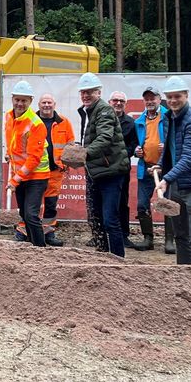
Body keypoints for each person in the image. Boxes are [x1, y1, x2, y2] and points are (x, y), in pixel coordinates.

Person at [155, 76, 191, 265]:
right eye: (170, 97)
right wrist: (161, 164)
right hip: (177, 184)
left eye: (177, 96)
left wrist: (166, 179)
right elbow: (172, 147)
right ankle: (183, 274)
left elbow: (190, 157)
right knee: (180, 235)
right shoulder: (169, 117)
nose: (173, 100)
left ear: (186, 95)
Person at [76, 73, 131, 256]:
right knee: (95, 219)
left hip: (111, 172)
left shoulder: (104, 110)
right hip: (95, 171)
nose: (86, 95)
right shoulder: (87, 111)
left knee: (109, 220)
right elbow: (89, 138)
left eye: (90, 92)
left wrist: (84, 153)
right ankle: (102, 256)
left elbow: (105, 137)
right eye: (83, 92)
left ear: (98, 92)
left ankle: (117, 259)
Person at [19, 92, 74, 246]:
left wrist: (65, 164)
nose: (47, 105)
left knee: (50, 204)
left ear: (54, 105)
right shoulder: (30, 120)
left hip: (54, 171)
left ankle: (48, 232)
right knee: (30, 204)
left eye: (49, 102)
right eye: (44, 102)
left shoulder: (64, 122)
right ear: (38, 105)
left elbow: (70, 144)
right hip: (33, 171)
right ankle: (23, 231)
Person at [5, 80, 51, 247]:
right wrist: (9, 153)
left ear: (30, 101)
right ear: (12, 99)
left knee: (31, 215)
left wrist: (15, 180)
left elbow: (34, 158)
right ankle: (32, 247)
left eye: (24, 100)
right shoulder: (9, 116)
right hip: (21, 175)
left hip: (37, 176)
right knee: (25, 215)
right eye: (17, 99)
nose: (20, 103)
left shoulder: (36, 124)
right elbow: (13, 140)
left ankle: (40, 249)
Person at [133, 86, 166, 252]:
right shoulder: (139, 121)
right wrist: (136, 151)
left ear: (159, 99)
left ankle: (170, 240)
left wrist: (166, 147)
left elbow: (177, 140)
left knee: (168, 203)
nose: (150, 101)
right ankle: (148, 239)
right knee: (142, 204)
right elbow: (134, 143)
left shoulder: (168, 117)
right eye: (147, 99)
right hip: (146, 168)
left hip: (166, 169)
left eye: (153, 98)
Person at [108, 91, 142, 249]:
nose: (118, 103)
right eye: (115, 100)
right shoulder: (101, 120)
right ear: (109, 102)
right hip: (102, 168)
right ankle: (100, 234)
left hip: (121, 169)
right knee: (101, 202)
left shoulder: (130, 123)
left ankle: (123, 235)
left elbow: (133, 144)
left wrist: (120, 156)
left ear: (125, 104)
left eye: (121, 101)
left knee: (122, 202)